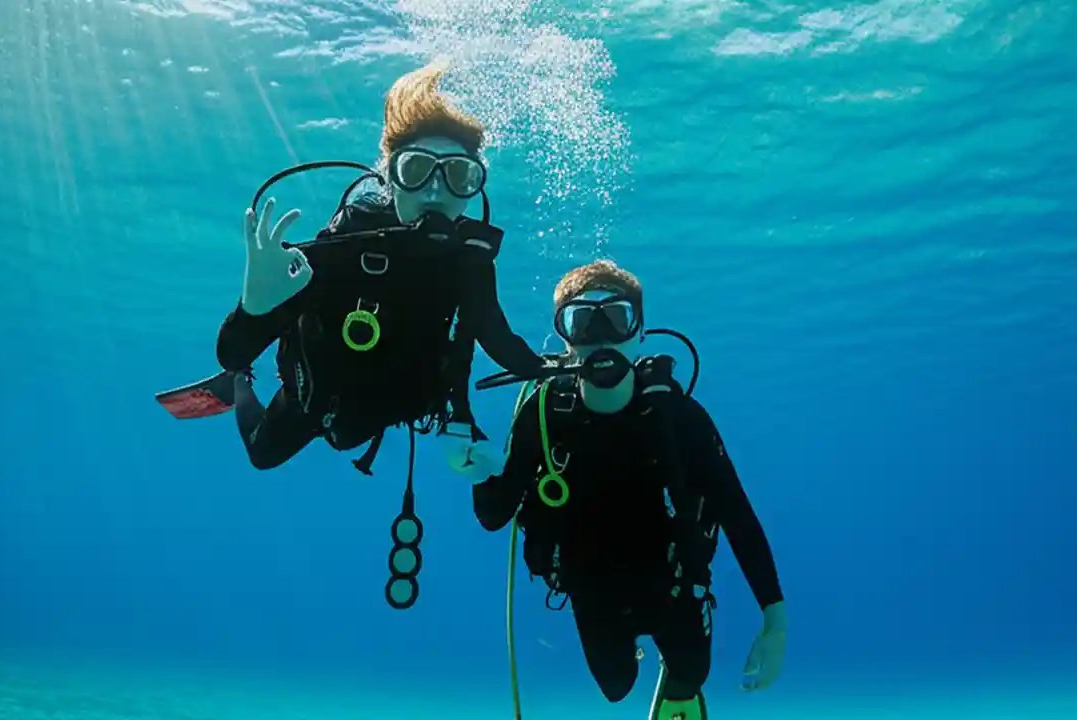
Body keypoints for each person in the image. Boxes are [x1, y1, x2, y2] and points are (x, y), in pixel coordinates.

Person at [156, 61, 551, 610]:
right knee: (261, 455)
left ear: (472, 188)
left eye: (458, 177)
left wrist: (561, 367)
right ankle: (238, 387)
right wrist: (254, 308)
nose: (437, 192)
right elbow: (234, 346)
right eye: (417, 171)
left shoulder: (469, 261)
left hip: (392, 406)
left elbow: (493, 336)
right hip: (316, 399)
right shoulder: (344, 246)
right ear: (389, 175)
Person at [469, 260, 788, 719]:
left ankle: (677, 678)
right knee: (615, 688)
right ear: (565, 338)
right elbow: (494, 516)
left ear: (638, 332)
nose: (601, 337)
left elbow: (736, 513)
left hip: (674, 582)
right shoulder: (544, 415)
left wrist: (774, 619)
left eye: (616, 318)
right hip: (590, 585)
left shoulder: (679, 417)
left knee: (690, 675)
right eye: (581, 321)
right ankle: (638, 658)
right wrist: (481, 473)